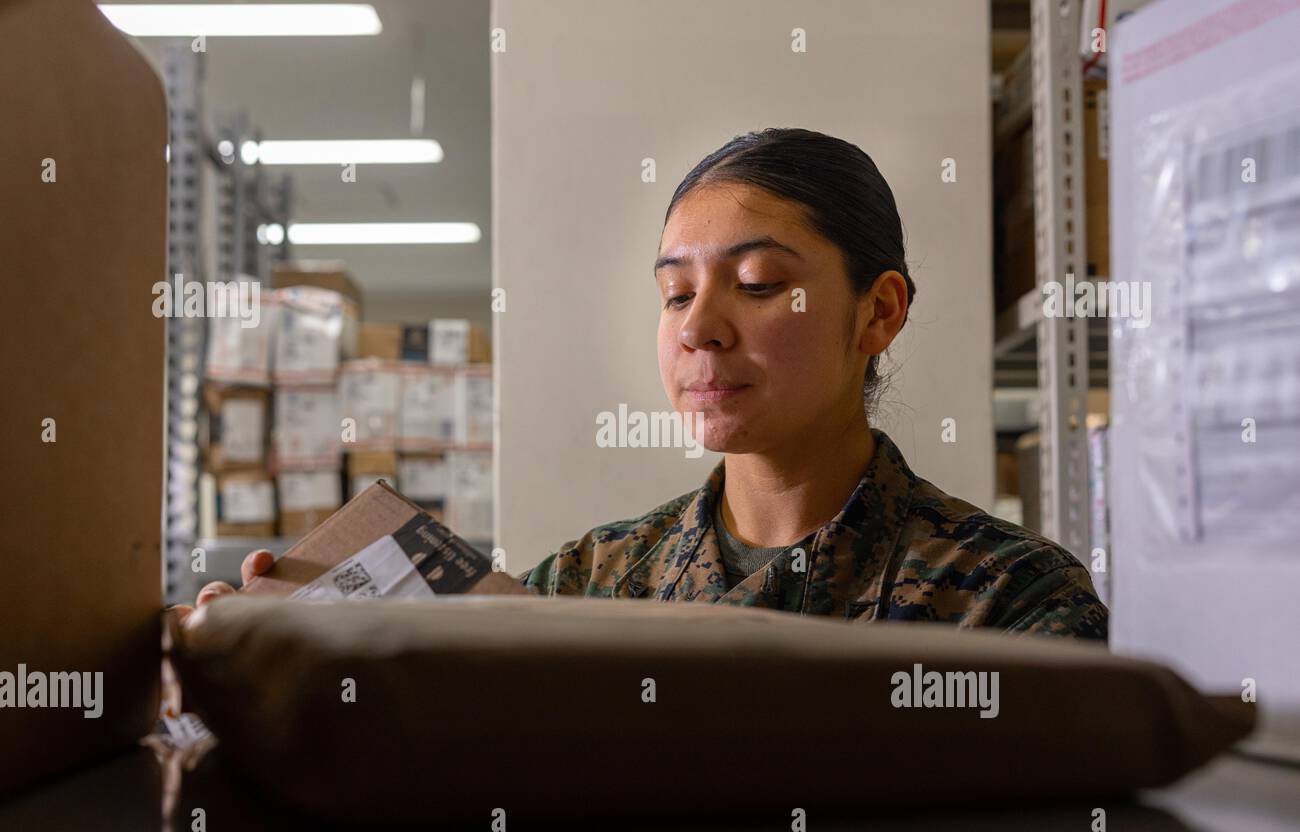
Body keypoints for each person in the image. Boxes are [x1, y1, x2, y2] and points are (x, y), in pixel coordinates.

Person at [180, 128, 1107, 641]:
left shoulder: (1011, 606)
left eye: (753, 284)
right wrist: (274, 646)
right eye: (674, 293)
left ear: (878, 312)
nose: (698, 326)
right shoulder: (587, 586)